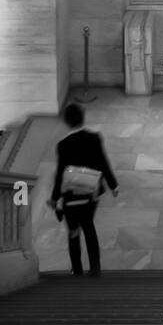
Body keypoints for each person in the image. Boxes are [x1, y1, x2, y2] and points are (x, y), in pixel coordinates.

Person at [48, 103, 118, 276]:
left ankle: (77, 270)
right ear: (82, 118)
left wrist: (55, 198)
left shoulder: (63, 144)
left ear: (66, 121)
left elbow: (60, 174)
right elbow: (103, 162)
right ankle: (95, 268)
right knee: (89, 226)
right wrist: (113, 184)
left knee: (73, 232)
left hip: (71, 197)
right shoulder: (94, 138)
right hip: (90, 193)